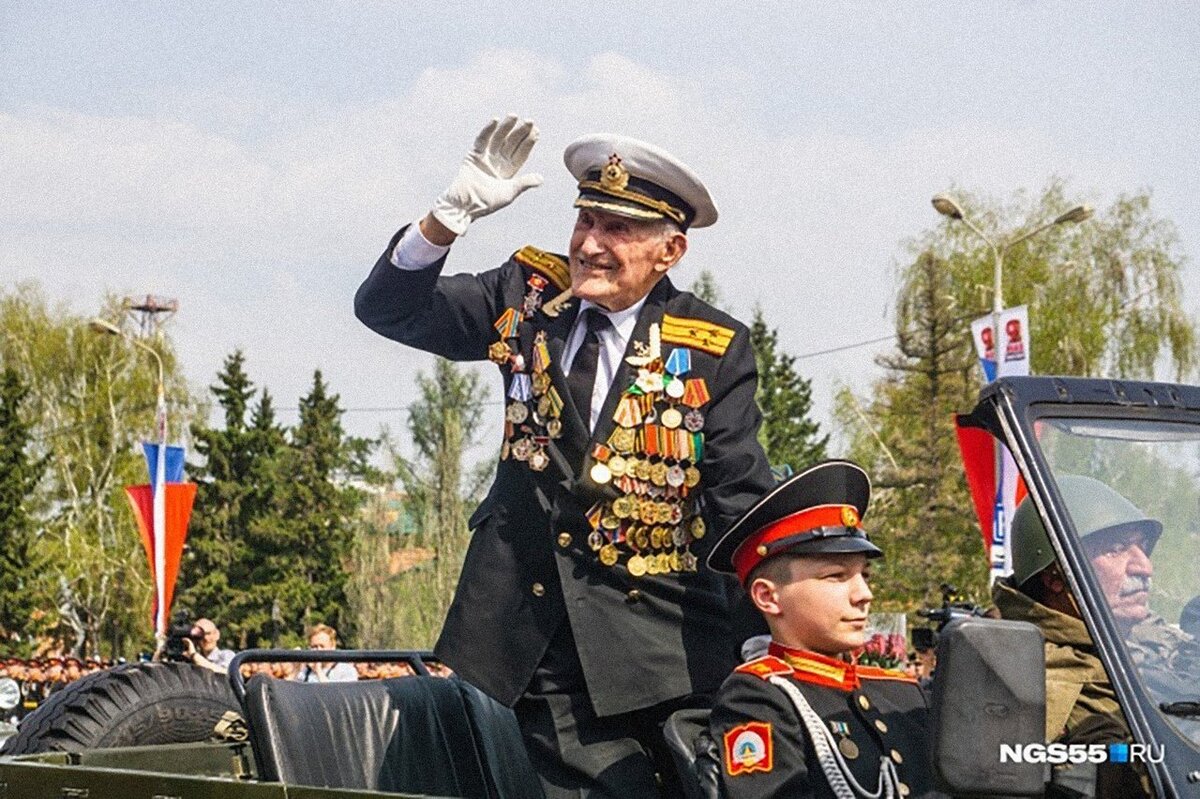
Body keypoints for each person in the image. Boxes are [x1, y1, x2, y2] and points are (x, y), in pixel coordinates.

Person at [355, 115, 774, 798]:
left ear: (670, 250)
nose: (591, 244)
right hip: (536, 641)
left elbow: (738, 500)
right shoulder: (526, 296)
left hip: (671, 644)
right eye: (586, 220)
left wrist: (763, 643)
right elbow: (387, 310)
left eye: (619, 229)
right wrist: (447, 217)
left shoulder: (711, 345)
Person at [705, 460, 942, 799]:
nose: (864, 594)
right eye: (836, 576)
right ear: (768, 597)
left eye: (865, 575)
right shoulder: (759, 699)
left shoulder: (902, 691)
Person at [294, 624, 358, 683]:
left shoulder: (346, 670)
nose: (318, 650)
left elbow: (336, 694)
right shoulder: (305, 672)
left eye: (322, 646)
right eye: (314, 647)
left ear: (333, 647)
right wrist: (296, 669)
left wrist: (318, 672)